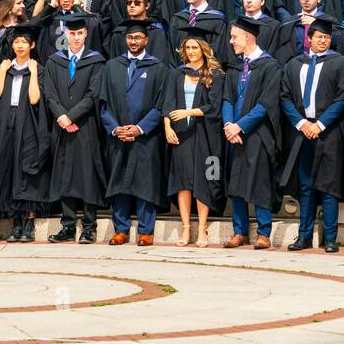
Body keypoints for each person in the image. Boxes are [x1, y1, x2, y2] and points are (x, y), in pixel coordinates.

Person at [280, 15, 344, 252]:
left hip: (327, 132)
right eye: (319, 37)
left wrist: (319, 125)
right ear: (309, 39)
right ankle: (304, 236)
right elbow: (285, 98)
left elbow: (342, 99)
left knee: (328, 186)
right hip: (302, 133)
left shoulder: (340, 63)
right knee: (306, 186)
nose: (324, 41)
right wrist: (301, 123)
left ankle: (330, 238)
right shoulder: (293, 64)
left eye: (327, 37)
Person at [100, 20, 173, 246]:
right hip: (119, 135)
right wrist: (115, 128)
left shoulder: (158, 68)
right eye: (130, 38)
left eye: (138, 38)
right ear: (125, 40)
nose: (134, 41)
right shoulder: (112, 66)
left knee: (145, 184)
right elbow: (102, 104)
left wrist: (140, 128)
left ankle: (145, 230)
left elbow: (161, 105)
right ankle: (120, 229)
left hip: (146, 137)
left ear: (146, 40)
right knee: (119, 182)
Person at [0, 24, 50, 241]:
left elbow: (35, 99)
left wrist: (34, 71)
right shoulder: (4, 68)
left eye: (23, 42)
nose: (19, 45)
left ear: (32, 45)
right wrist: (1, 71)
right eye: (16, 42)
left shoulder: (39, 69)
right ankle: (16, 224)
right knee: (9, 168)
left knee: (26, 168)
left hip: (27, 123)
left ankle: (28, 222)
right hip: (5, 121)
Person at [43, 13, 108, 243]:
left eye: (80, 33)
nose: (77, 37)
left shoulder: (96, 61)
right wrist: (60, 116)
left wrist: (70, 117)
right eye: (72, 33)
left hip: (86, 125)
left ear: (86, 33)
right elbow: (49, 93)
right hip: (61, 126)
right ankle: (68, 226)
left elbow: (93, 95)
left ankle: (89, 227)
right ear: (66, 34)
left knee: (86, 174)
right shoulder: (54, 61)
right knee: (64, 174)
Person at [221, 16, 283, 249]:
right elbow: (227, 98)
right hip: (233, 134)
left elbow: (266, 104)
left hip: (258, 134)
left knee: (260, 183)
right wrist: (229, 125)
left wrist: (241, 125)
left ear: (248, 37)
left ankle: (264, 233)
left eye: (234, 37)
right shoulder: (236, 66)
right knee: (236, 183)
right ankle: (240, 232)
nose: (231, 42)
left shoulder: (270, 66)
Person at [165, 26, 226, 247]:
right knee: (183, 182)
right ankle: (185, 229)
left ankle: (202, 229)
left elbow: (214, 107)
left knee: (204, 180)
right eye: (188, 47)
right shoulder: (177, 72)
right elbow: (168, 103)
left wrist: (189, 112)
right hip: (181, 133)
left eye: (195, 47)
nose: (191, 51)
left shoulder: (215, 74)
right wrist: (167, 127)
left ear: (204, 49)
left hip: (206, 135)